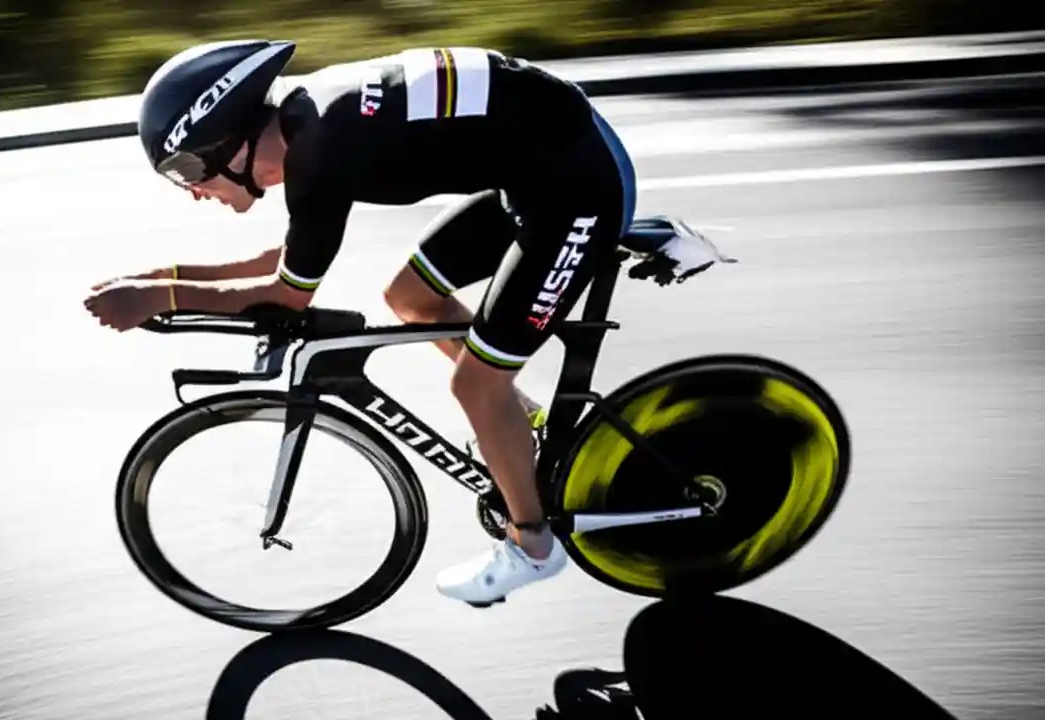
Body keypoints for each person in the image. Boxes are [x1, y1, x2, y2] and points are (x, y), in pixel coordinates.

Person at [84, 39, 729, 607]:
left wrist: (160, 298)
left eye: (189, 172)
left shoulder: (320, 151)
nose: (193, 191)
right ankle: (524, 425)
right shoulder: (308, 126)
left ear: (229, 143)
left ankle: (533, 545)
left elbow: (286, 294)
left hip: (576, 184)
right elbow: (284, 259)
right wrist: (157, 281)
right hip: (537, 167)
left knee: (476, 384)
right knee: (410, 297)